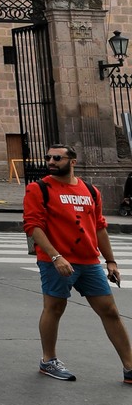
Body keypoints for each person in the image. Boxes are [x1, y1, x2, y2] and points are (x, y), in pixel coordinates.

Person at [23, 142, 132, 383]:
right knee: (55, 308)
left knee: (110, 311)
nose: (51, 162)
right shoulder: (38, 189)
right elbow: (34, 227)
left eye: (57, 158)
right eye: (48, 158)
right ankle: (48, 360)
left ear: (72, 162)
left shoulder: (91, 191)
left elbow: (100, 227)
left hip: (89, 261)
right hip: (56, 261)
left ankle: (130, 367)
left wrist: (111, 261)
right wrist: (55, 256)